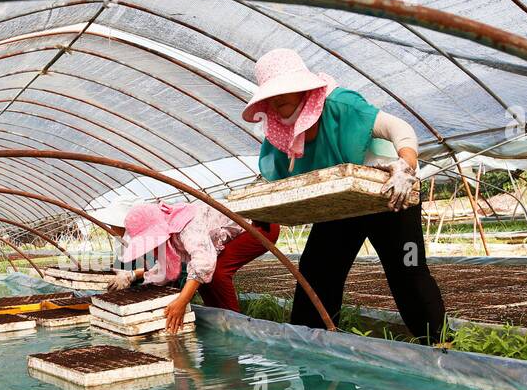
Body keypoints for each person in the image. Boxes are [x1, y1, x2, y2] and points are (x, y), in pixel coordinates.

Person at [244, 48, 446, 342]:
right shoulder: (280, 132)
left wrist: (405, 167)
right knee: (316, 270)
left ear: (305, 88)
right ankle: (313, 344)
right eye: (272, 93)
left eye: (287, 89)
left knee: (407, 268)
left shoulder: (340, 105)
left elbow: (398, 127)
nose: (279, 98)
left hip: (386, 194)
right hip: (341, 203)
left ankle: (440, 343)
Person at [89, 199, 279, 332]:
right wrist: (133, 276)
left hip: (257, 228)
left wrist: (182, 301)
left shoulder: (186, 225)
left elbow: (204, 262)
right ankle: (221, 322)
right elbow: (165, 270)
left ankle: (236, 325)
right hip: (236, 234)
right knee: (203, 279)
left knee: (218, 272)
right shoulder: (169, 238)